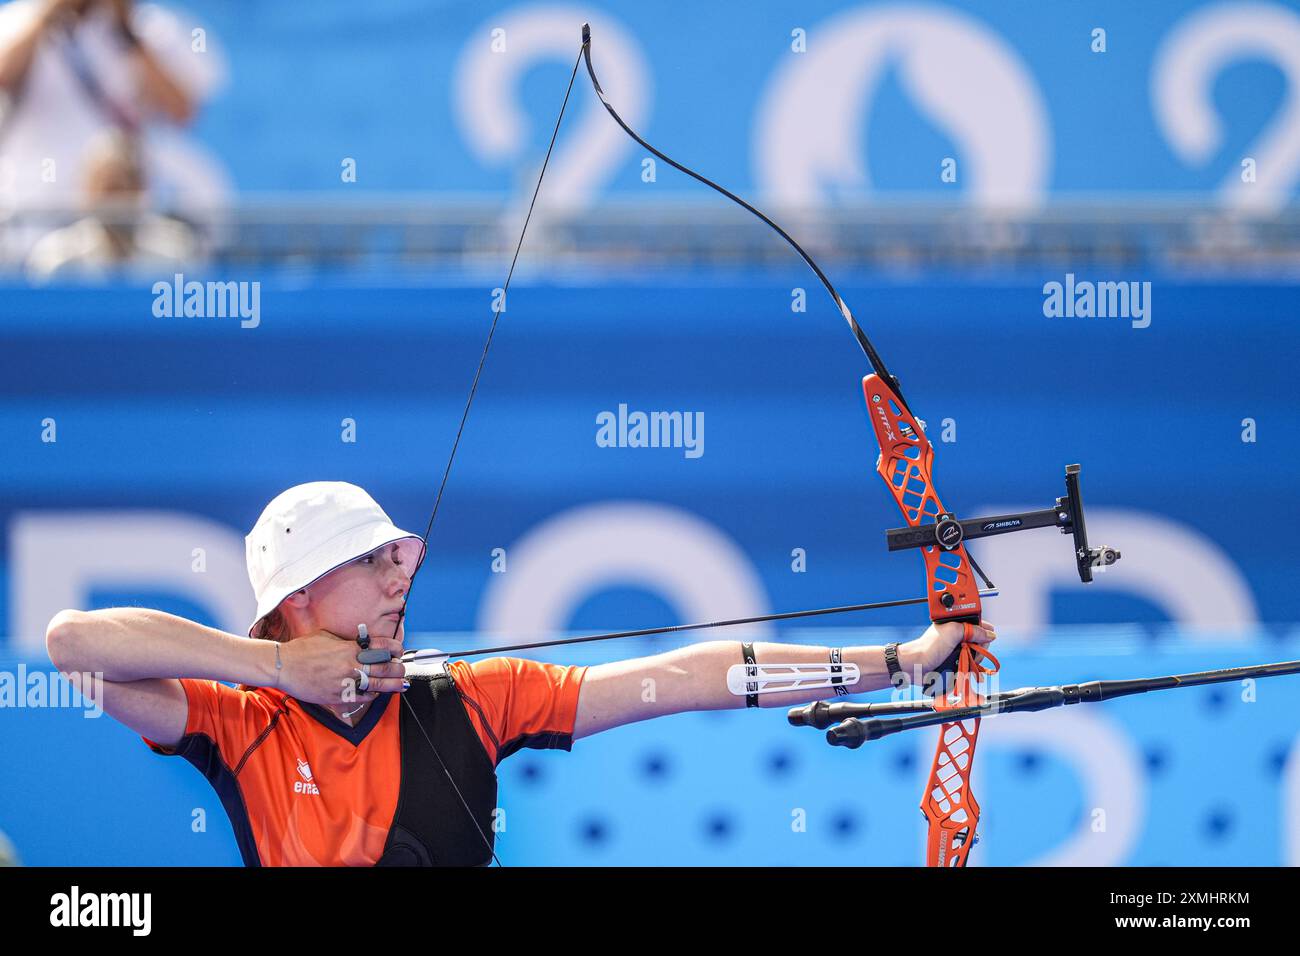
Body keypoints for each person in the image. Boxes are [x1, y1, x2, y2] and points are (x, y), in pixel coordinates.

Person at [44, 481, 996, 866]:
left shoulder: (470, 698)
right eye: (369, 562)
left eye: (395, 557)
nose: (398, 574)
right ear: (296, 597)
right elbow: (72, 642)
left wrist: (897, 663)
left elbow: (694, 676)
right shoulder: (239, 720)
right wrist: (276, 670)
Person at [25, 127, 196, 280]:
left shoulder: (175, 251)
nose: (115, 200)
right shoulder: (58, 256)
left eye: (125, 186)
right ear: (86, 189)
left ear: (142, 187)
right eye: (107, 188)